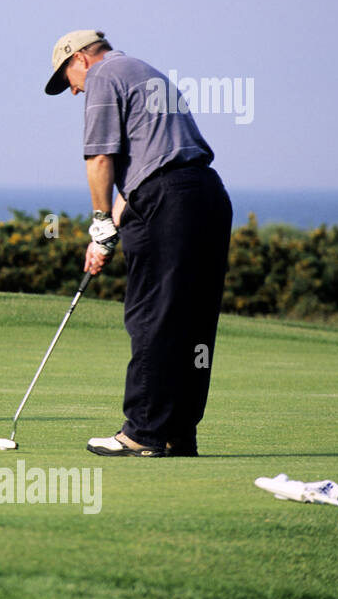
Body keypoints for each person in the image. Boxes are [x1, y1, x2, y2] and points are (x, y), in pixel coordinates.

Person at [44, 30, 232, 457]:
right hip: (205, 194)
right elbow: (148, 170)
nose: (74, 91)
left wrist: (96, 220)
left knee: (151, 315)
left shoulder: (103, 76)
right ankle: (176, 433)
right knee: (192, 321)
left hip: (166, 199)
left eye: (68, 79)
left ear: (80, 59)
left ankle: (142, 432)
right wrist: (106, 237)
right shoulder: (146, 73)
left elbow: (100, 158)